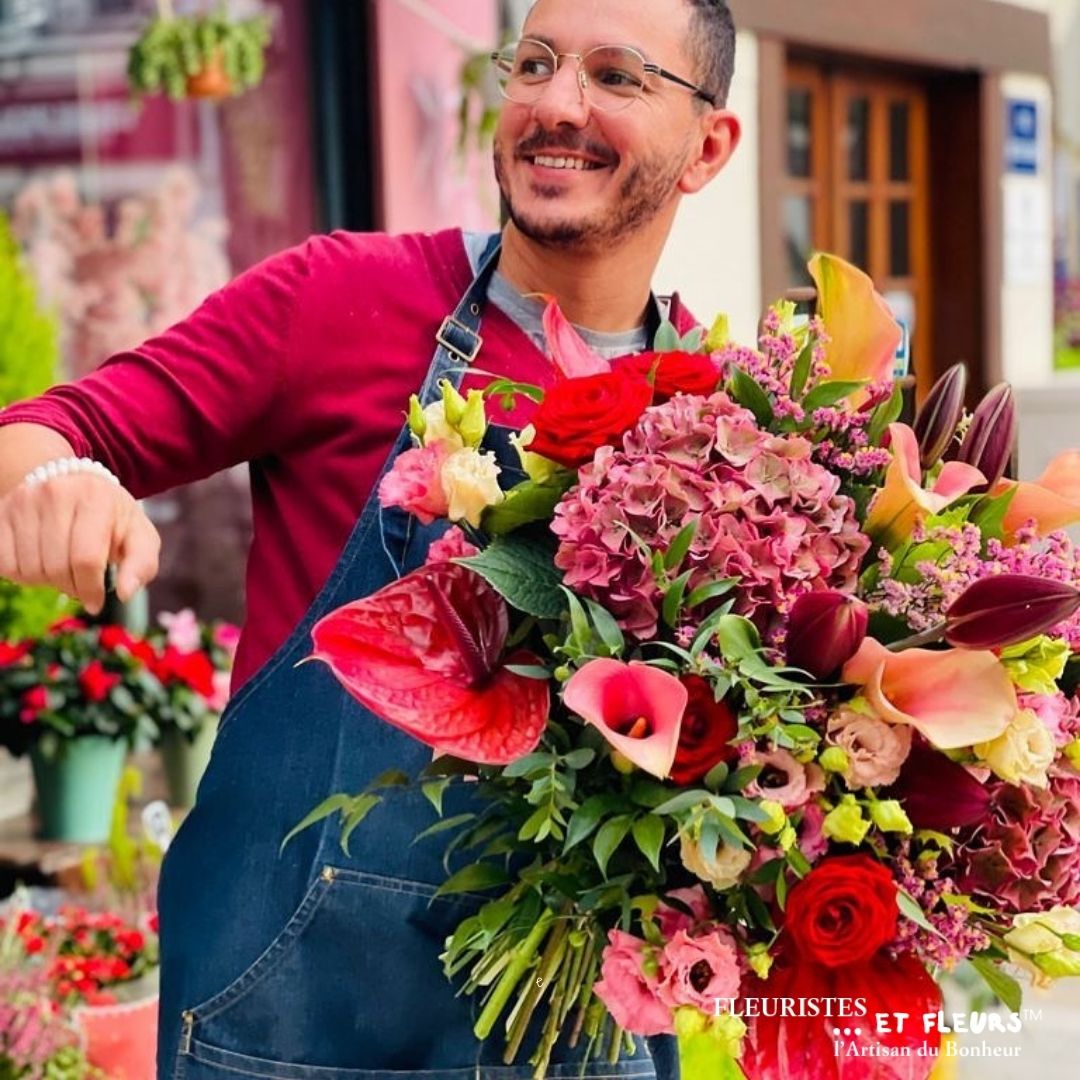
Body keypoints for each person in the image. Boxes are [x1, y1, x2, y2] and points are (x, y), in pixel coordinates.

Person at [0, 0, 741, 1075]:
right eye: (533, 63)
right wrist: (59, 480)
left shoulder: (723, 421)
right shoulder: (341, 297)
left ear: (707, 147)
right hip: (292, 1018)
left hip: (574, 1031)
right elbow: (47, 430)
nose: (554, 104)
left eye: (617, 76)